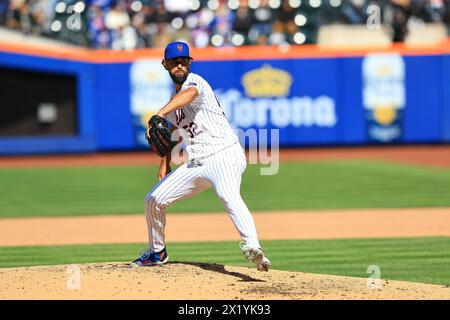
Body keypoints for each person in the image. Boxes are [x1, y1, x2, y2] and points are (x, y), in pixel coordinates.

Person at [131, 41, 271, 271]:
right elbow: (173, 133)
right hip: (197, 163)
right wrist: (164, 161)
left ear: (190, 63)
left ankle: (254, 247)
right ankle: (157, 252)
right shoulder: (173, 99)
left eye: (184, 61)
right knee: (153, 200)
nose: (179, 65)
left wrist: (159, 113)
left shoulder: (195, 82)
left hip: (224, 153)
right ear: (165, 64)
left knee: (228, 194)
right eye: (174, 62)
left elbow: (190, 94)